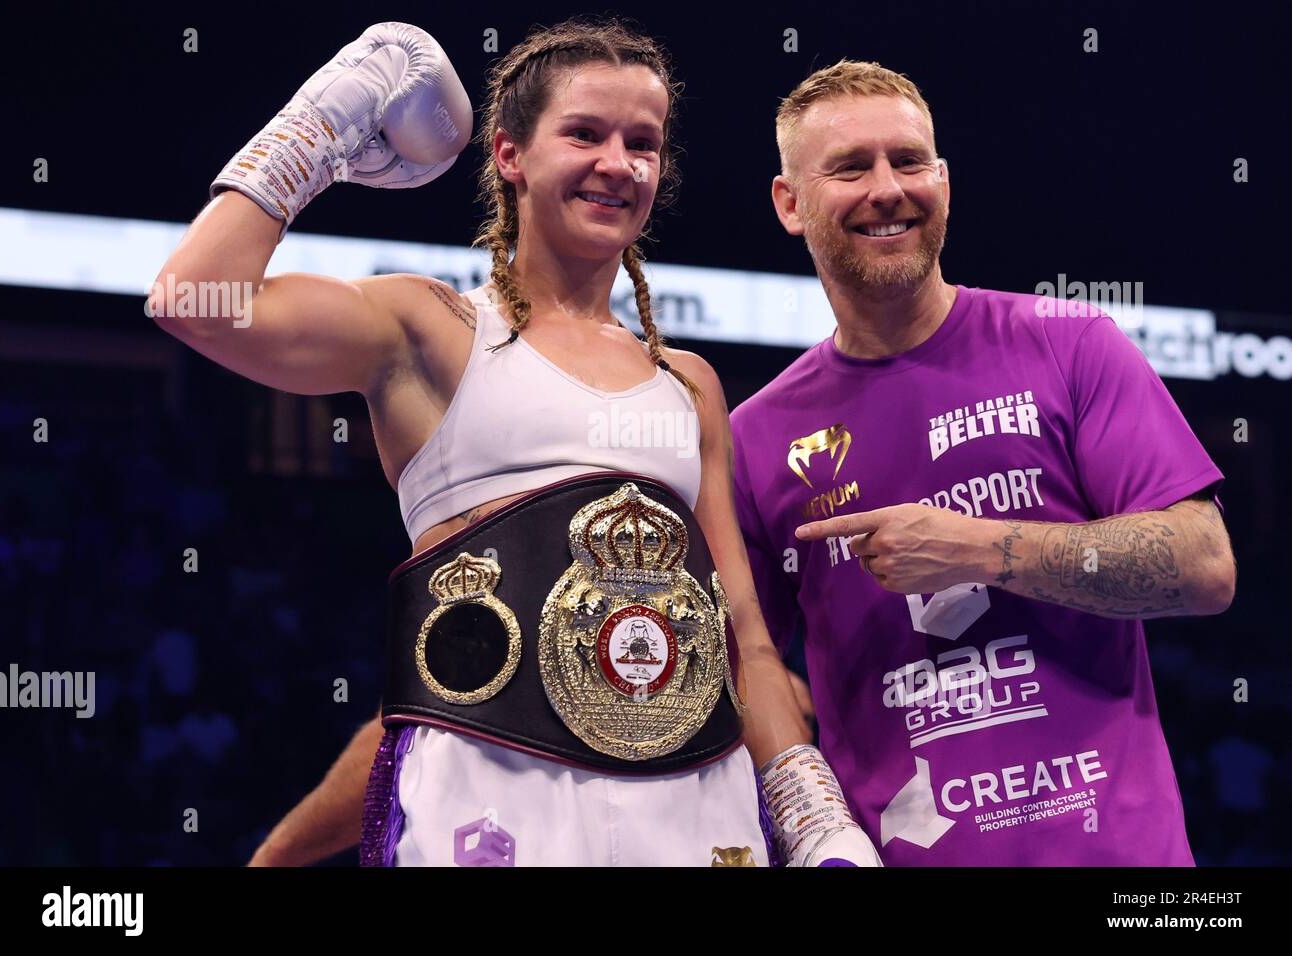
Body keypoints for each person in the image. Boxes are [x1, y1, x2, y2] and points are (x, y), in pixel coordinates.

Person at [150, 18, 879, 867]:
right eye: (585, 133)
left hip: (693, 804)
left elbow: (744, 636)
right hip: (492, 802)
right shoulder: (431, 328)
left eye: (642, 142)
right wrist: (327, 122)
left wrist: (814, 816)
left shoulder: (688, 384)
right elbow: (192, 300)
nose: (618, 163)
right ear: (509, 156)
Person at [729, 59, 1237, 865]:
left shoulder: (1069, 341)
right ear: (790, 203)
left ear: (945, 181)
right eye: (851, 167)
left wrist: (979, 549)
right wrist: (808, 814)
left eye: (909, 160)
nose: (888, 188)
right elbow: (745, 664)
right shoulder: (756, 437)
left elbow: (1204, 565)